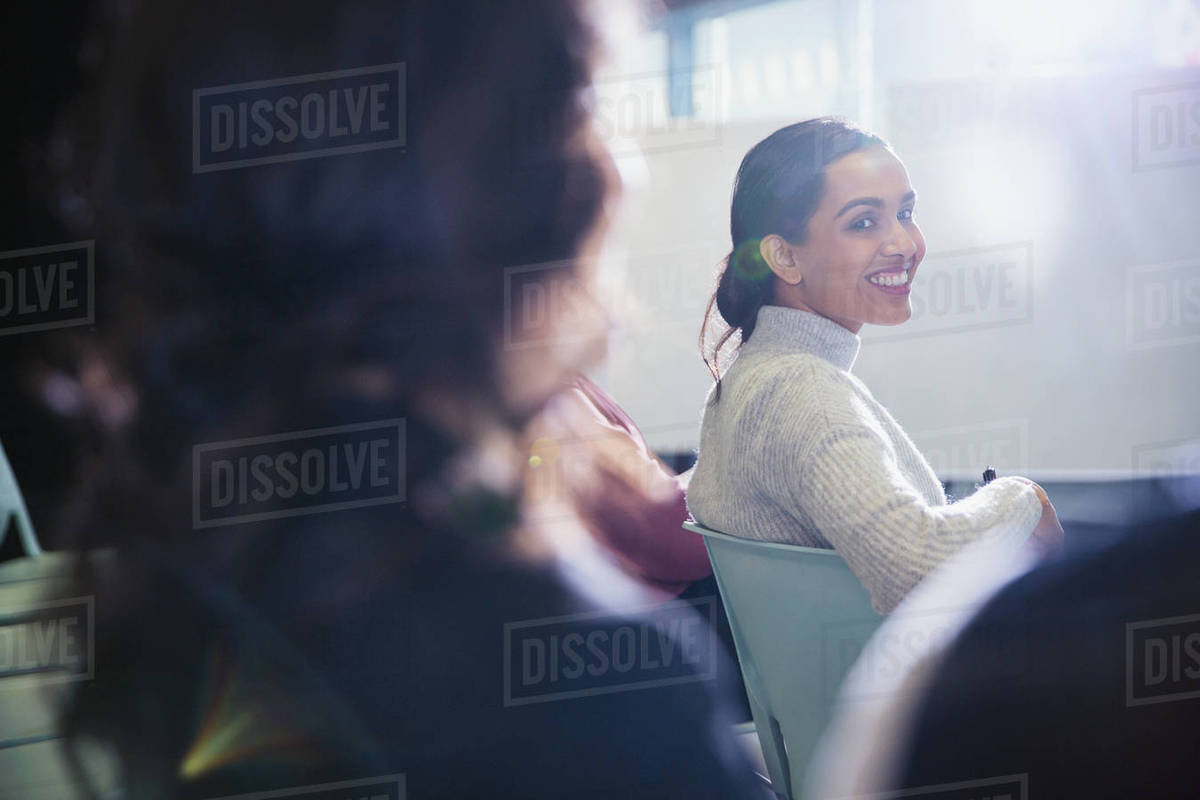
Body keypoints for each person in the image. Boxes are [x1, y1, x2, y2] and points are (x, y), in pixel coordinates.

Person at [31, 0, 763, 797]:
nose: (621, 169)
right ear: (491, 188)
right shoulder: (606, 691)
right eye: (582, 103)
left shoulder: (195, 546)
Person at [687, 117, 1063, 614]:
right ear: (783, 256)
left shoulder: (757, 377)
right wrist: (1019, 499)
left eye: (906, 213)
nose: (905, 244)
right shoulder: (801, 392)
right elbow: (914, 567)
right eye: (864, 222)